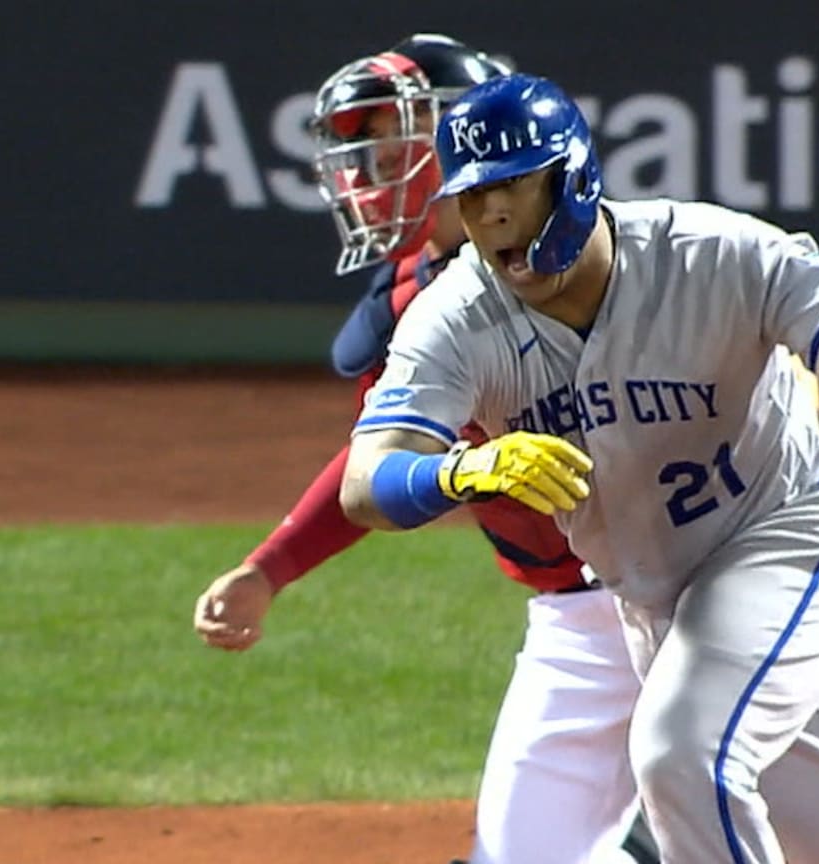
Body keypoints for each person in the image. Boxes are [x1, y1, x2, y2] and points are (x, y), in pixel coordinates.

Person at [195, 36, 819, 864]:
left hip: (793, 533)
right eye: (474, 198)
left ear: (570, 176)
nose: (491, 221)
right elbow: (370, 478)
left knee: (682, 751)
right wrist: (460, 470)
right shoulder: (454, 315)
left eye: (511, 190)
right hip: (642, 598)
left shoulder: (713, 252)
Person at [191, 36, 645, 864]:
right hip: (578, 617)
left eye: (392, 154)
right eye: (361, 162)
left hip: (698, 580)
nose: (366, 183)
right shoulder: (415, 293)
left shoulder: (593, 263)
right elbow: (376, 460)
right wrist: (271, 568)